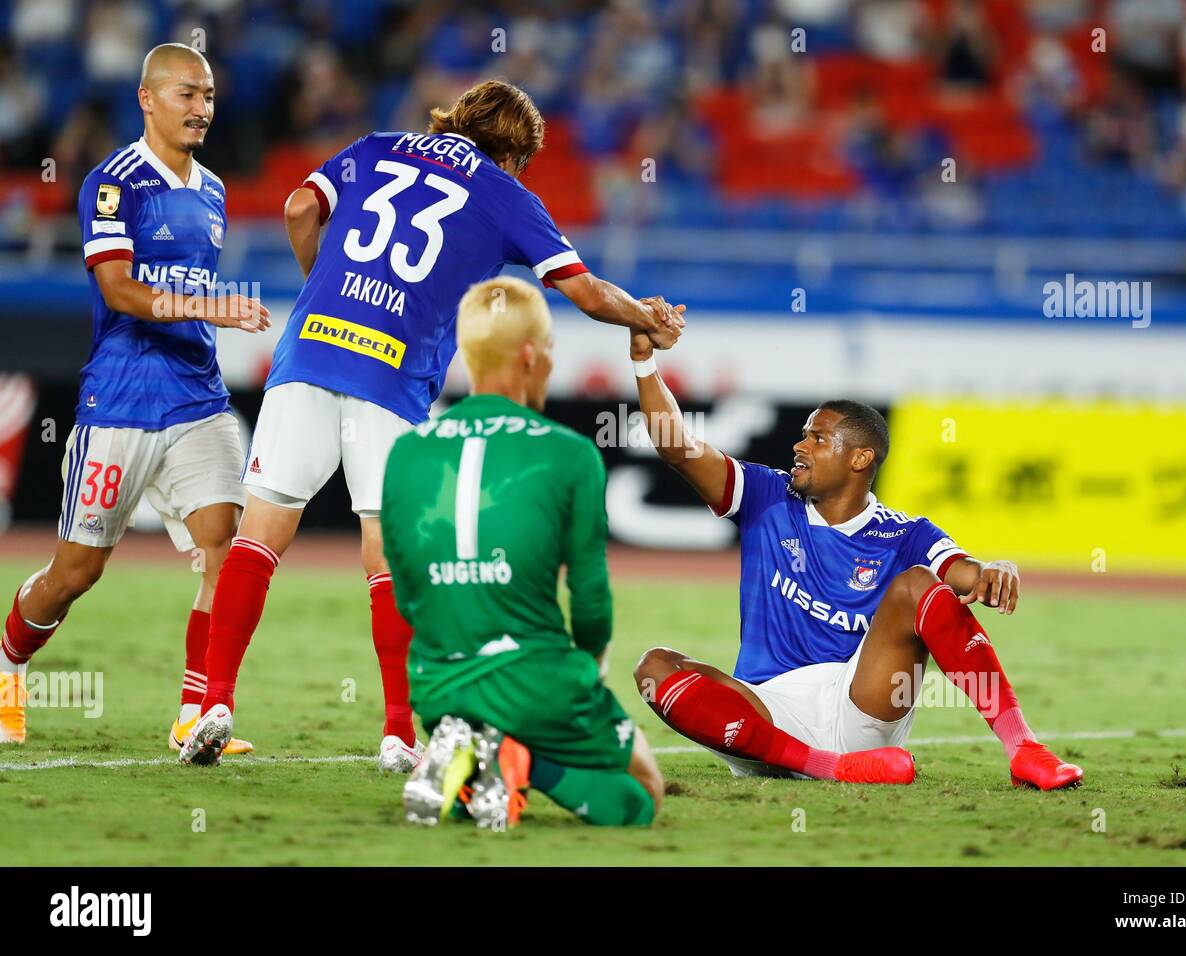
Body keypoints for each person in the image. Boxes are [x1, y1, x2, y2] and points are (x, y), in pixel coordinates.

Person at [180, 80, 684, 770]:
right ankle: (395, 735)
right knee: (386, 556)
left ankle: (214, 704)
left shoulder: (377, 146)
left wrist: (316, 288)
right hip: (390, 372)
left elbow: (300, 207)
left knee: (260, 536)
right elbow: (586, 290)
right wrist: (648, 316)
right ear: (515, 154)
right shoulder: (506, 194)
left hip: (308, 352)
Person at [626, 331, 1084, 790]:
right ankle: (827, 767)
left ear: (860, 459)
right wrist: (645, 361)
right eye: (804, 435)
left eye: (818, 438)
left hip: (857, 707)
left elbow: (966, 576)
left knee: (919, 584)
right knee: (655, 666)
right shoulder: (766, 495)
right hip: (763, 714)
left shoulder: (906, 533)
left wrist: (992, 572)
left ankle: (1024, 749)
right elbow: (678, 448)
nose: (799, 447)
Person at [0, 44, 269, 753]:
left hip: (197, 399)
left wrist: (212, 313)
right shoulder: (112, 183)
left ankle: (193, 714)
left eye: (209, 96)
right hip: (120, 401)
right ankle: (5, 667)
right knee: (74, 574)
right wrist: (214, 307)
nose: (202, 109)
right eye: (187, 94)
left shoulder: (212, 191)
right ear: (148, 99)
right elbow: (118, 291)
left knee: (223, 545)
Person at [387, 276, 664, 828]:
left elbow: (405, 592)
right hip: (538, 683)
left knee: (479, 708)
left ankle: (473, 750)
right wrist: (590, 666)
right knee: (642, 794)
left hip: (439, 686)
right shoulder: (570, 454)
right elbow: (590, 599)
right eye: (553, 352)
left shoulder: (405, 451)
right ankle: (520, 758)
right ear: (532, 356)